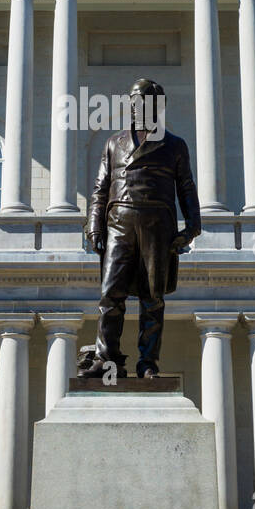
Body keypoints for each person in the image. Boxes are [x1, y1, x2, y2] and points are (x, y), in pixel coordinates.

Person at [83, 79, 201, 378]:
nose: (136, 107)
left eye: (143, 101)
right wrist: (94, 227)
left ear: (157, 107)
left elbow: (186, 188)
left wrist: (192, 228)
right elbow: (100, 189)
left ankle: (148, 363)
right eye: (133, 101)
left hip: (156, 227)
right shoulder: (114, 143)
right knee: (110, 294)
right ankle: (107, 360)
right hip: (119, 224)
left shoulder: (174, 145)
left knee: (153, 299)